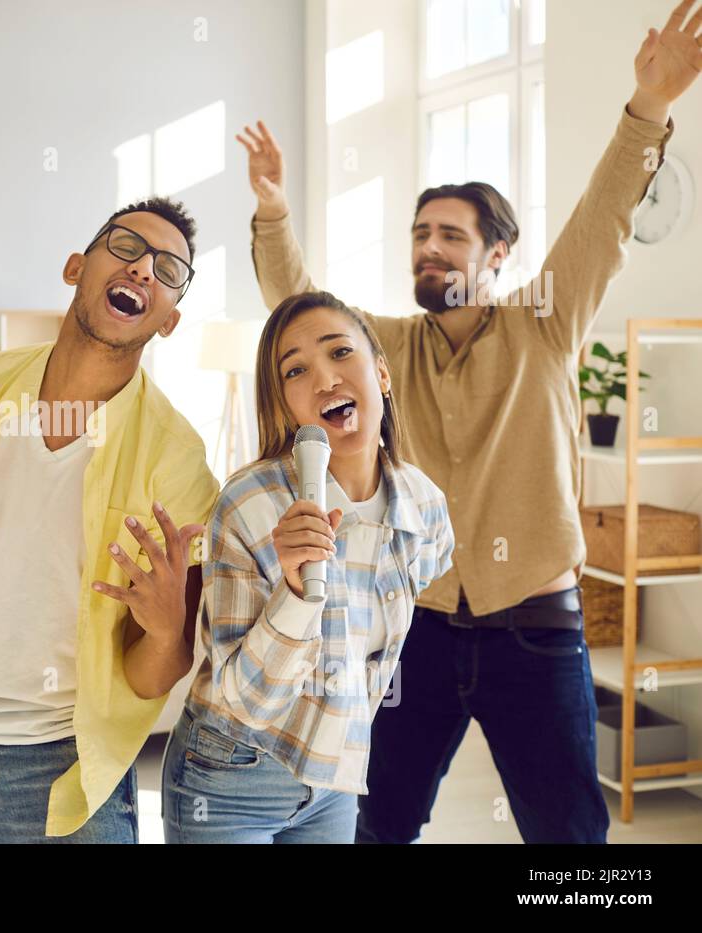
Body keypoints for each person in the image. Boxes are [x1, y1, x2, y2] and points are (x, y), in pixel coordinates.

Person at [241, 0, 702, 843]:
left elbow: (602, 217)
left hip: (537, 625)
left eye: (450, 236)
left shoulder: (546, 322)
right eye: (420, 234)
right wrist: (272, 211)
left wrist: (650, 108)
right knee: (378, 825)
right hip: (415, 624)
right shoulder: (384, 350)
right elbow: (296, 307)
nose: (428, 247)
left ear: (497, 255)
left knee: (569, 841)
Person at [0, 198, 220, 842]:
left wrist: (167, 633)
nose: (143, 272)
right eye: (127, 247)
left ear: (170, 319)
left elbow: (154, 671)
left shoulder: (178, 457)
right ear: (76, 266)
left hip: (70, 776)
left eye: (168, 270)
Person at [164, 291, 454, 843]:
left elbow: (425, 574)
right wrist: (295, 595)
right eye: (295, 369)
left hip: (334, 774)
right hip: (229, 773)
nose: (324, 379)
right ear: (285, 406)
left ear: (383, 375)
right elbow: (248, 702)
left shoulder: (424, 507)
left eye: (340, 352)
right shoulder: (248, 506)